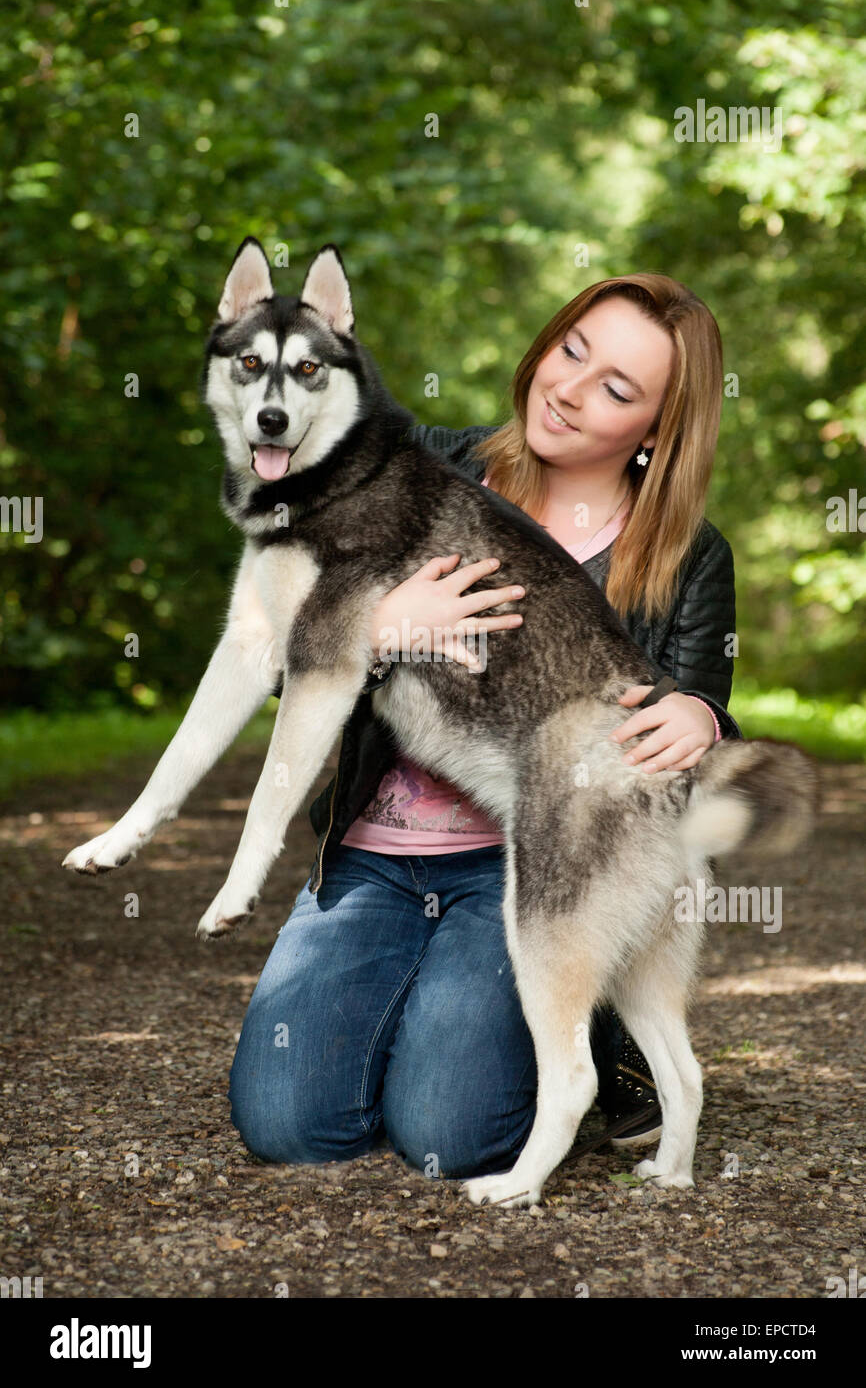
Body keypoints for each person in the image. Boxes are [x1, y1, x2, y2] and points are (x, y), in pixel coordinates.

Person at [227, 272, 741, 1181]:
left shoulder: (688, 557)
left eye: (618, 389)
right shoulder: (415, 462)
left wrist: (703, 713)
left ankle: (587, 1056)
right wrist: (378, 632)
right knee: (287, 1124)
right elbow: (275, 663)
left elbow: (686, 730)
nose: (571, 390)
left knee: (445, 1134)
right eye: (571, 351)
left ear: (657, 431)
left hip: (529, 854)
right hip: (375, 852)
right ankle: (456, 1026)